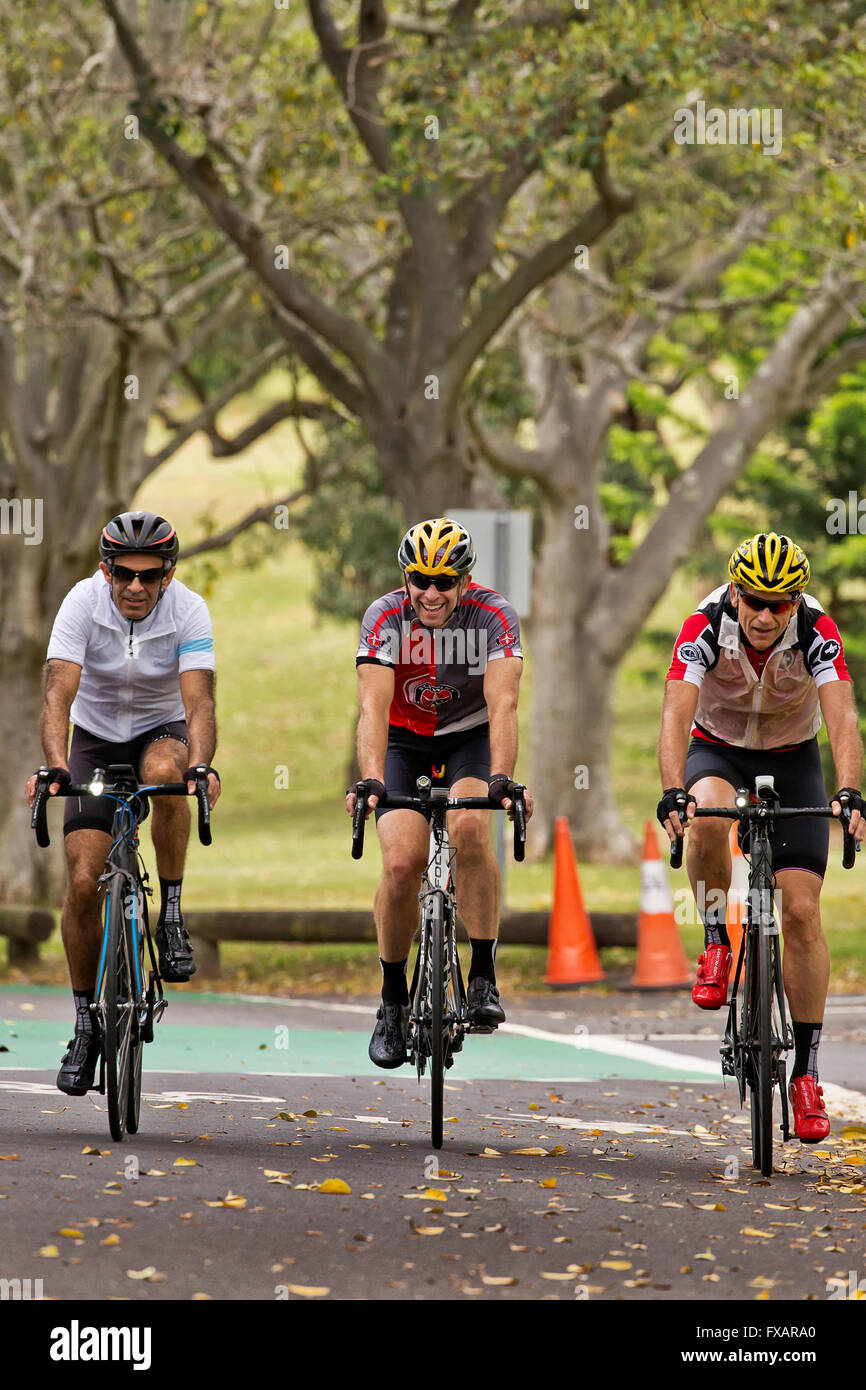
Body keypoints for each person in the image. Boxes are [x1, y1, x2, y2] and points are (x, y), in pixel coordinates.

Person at [657, 532, 865, 1143]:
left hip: (793, 756)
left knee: (800, 911)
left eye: (781, 603)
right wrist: (674, 790)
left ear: (796, 601)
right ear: (736, 593)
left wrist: (849, 789)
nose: (765, 614)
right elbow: (674, 714)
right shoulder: (702, 624)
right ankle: (718, 937)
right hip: (716, 751)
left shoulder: (818, 633)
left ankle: (804, 1072)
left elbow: (843, 718)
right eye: (754, 599)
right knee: (707, 814)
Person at [25, 511, 221, 1097]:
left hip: (160, 729)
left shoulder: (189, 609)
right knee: (84, 879)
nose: (136, 587)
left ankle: (173, 913)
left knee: (168, 773)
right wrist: (58, 766)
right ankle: (86, 1022)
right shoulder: (81, 603)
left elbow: (199, 705)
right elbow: (57, 695)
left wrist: (203, 765)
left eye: (150, 575)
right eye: (124, 574)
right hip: (94, 735)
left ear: (169, 572)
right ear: (106, 570)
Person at [346, 516, 534, 1068]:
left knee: (471, 828)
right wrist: (374, 778)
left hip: (469, 739)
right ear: (406, 578)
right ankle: (391, 1002)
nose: (431, 593)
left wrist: (500, 777)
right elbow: (373, 707)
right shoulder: (384, 615)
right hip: (404, 745)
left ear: (464, 580)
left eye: (444, 581)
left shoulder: (493, 614)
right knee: (402, 866)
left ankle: (482, 976)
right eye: (420, 580)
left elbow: (503, 703)